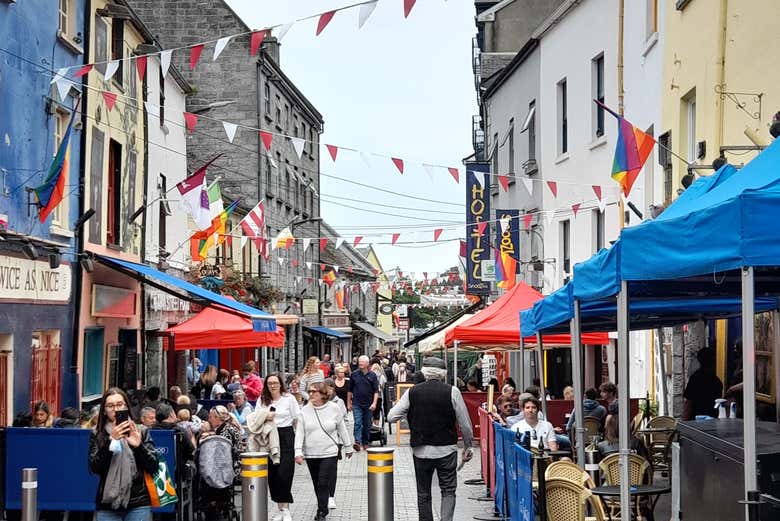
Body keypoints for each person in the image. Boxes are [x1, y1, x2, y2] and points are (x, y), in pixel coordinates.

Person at [388, 357, 473, 521]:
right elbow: (465, 424)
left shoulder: (412, 392)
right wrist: (468, 446)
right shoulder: (452, 391)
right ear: (443, 374)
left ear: (424, 372)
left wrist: (411, 413)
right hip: (446, 449)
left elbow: (392, 417)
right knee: (448, 490)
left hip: (421, 450)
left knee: (424, 493)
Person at [88, 387, 159, 520]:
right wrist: (110, 442)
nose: (115, 409)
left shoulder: (140, 431)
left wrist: (139, 447)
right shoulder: (97, 434)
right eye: (110, 406)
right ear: (104, 411)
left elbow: (153, 466)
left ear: (126, 406)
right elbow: (94, 468)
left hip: (138, 502)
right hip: (108, 504)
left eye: (120, 404)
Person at [295, 381, 353, 521]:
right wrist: (298, 452)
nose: (310, 394)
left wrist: (348, 446)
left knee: (323, 481)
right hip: (311, 452)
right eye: (309, 392)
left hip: (329, 452)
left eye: (314, 392)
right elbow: (300, 432)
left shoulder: (334, 408)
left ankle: (321, 512)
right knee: (317, 483)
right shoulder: (304, 410)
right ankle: (323, 504)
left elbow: (341, 428)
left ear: (323, 394)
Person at [252, 373, 299, 521]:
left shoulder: (289, 399)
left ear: (280, 384)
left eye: (275, 383)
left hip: (285, 435)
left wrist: (299, 443)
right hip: (268, 436)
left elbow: (297, 418)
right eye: (270, 383)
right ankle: (280, 508)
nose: (273, 385)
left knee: (285, 473)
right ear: (266, 385)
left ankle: (285, 509)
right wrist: (266, 416)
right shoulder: (262, 400)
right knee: (272, 474)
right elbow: (255, 417)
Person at [324, 378, 352, 510]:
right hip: (319, 443)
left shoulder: (338, 402)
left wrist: (344, 443)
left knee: (332, 470)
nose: (327, 390)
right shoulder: (317, 402)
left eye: (329, 388)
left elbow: (344, 422)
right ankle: (323, 496)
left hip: (335, 442)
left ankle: (331, 496)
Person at [348, 355, 379, 451]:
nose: (360, 363)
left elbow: (376, 391)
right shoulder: (354, 374)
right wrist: (349, 403)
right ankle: (357, 442)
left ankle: (365, 442)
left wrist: (374, 403)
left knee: (367, 424)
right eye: (359, 361)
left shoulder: (372, 375)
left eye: (362, 362)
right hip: (357, 403)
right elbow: (350, 390)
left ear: (367, 364)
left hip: (369, 404)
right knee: (357, 422)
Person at [683, 347, 724, 420]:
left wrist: (685, 422)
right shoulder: (716, 381)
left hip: (696, 419)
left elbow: (688, 402)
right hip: (712, 419)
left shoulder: (695, 378)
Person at [371, 362, 387, 426]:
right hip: (379, 396)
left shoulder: (370, 375)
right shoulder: (382, 376)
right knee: (377, 411)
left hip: (371, 395)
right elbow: (384, 386)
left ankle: (371, 425)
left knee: (371, 410)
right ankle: (376, 426)